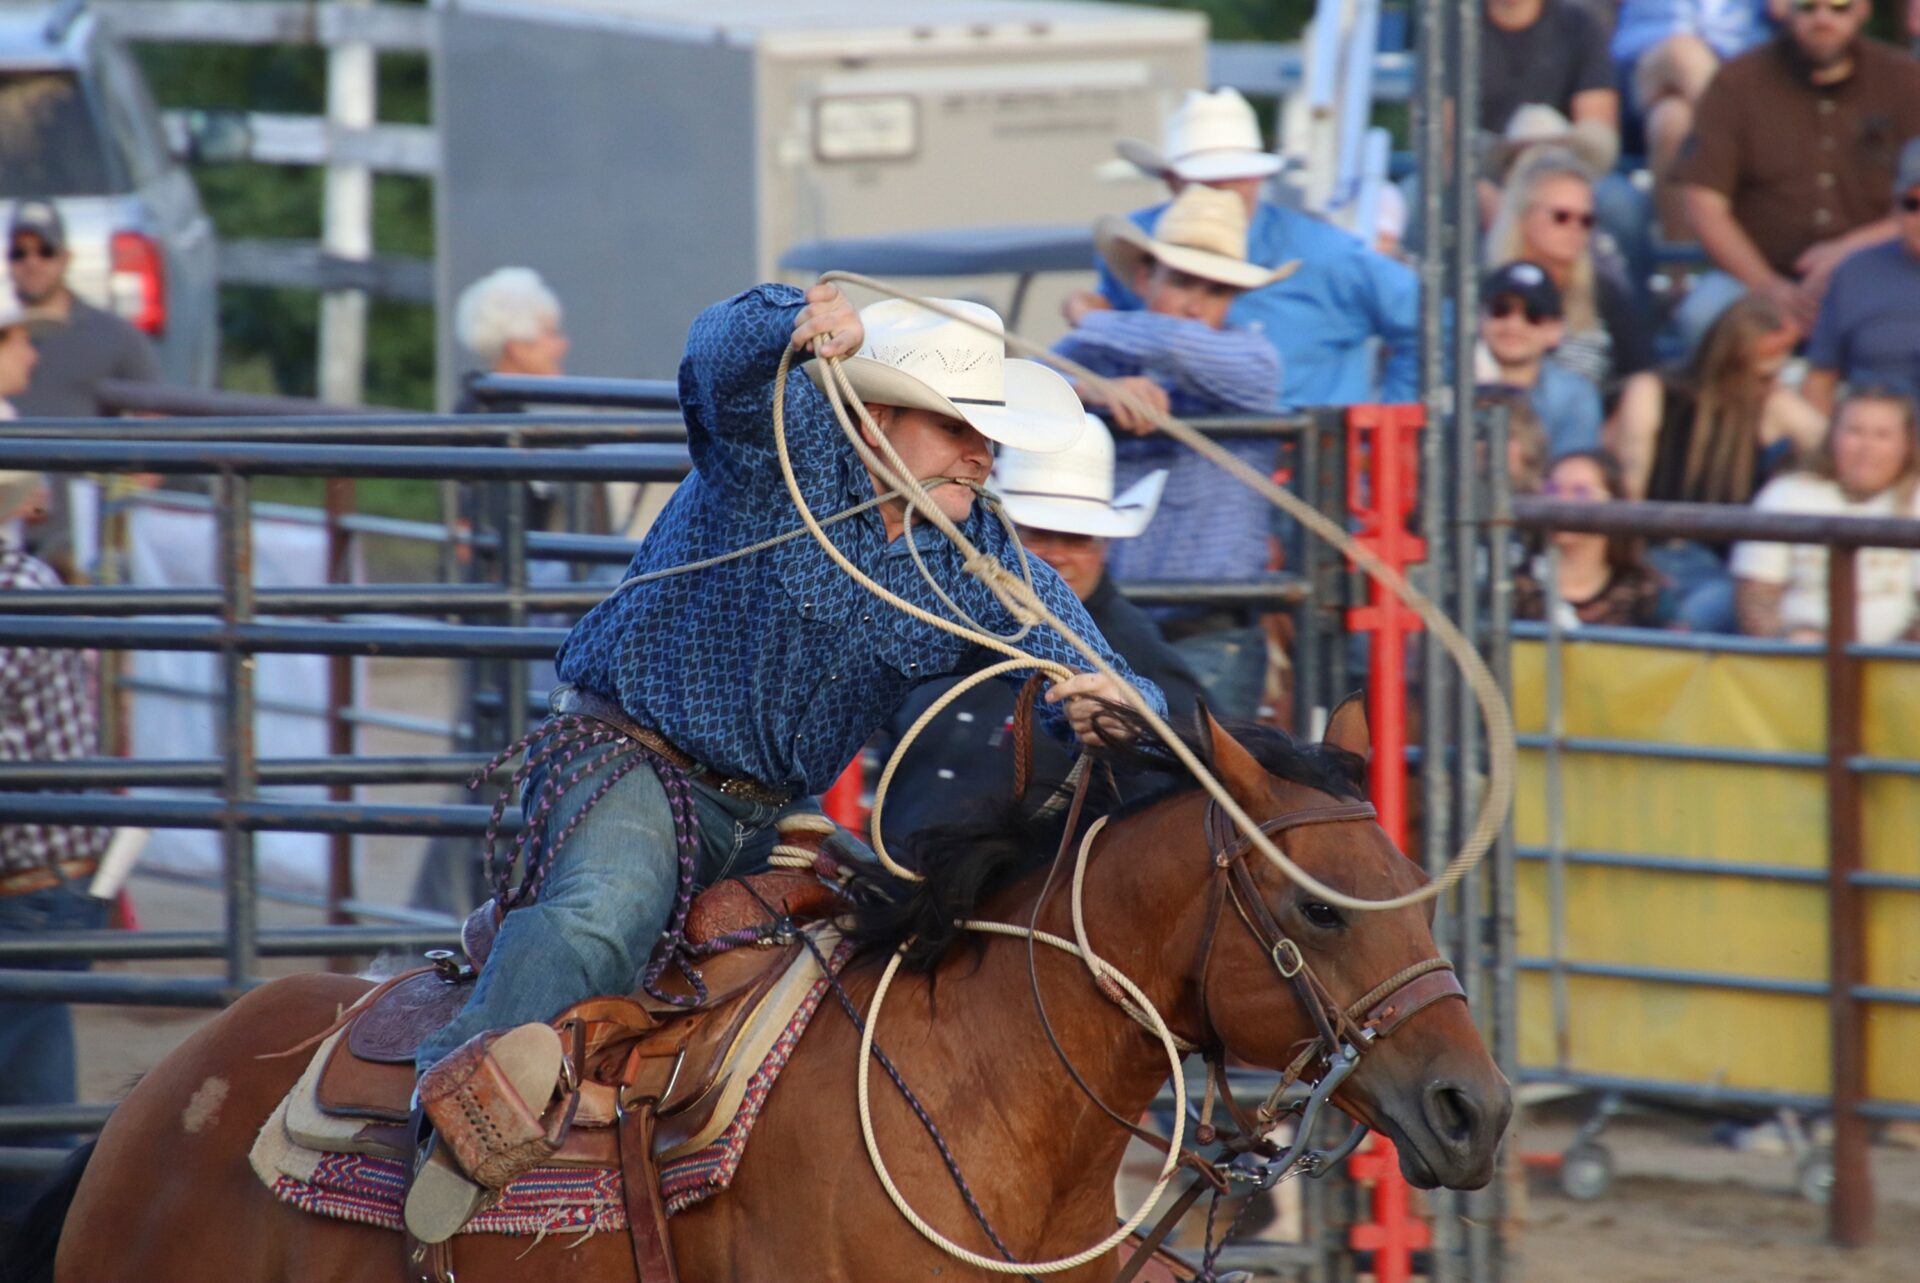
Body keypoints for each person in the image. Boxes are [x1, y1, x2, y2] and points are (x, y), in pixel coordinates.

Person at [402, 283, 1167, 1242]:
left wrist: (1122, 709)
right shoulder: (783, 444)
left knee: (873, 961)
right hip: (633, 754)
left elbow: (1109, 668)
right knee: (607, 912)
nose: (981, 452)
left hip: (769, 811)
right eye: (955, 425)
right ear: (877, 415)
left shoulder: (976, 559)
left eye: (989, 434)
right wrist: (794, 326)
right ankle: (438, 1127)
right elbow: (714, 360)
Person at [873, 416, 1200, 847]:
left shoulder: (1139, 651)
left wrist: (1135, 726)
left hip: (1023, 899)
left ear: (1103, 546)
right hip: (900, 873)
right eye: (1039, 534)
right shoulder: (944, 609)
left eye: (1078, 538)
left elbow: (1191, 769)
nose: (1057, 557)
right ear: (1007, 534)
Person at [1055, 185, 1291, 718]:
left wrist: (1093, 318)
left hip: (1206, 631)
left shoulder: (1251, 363)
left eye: (1216, 289)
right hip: (1104, 627)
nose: (1194, 303)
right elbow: (1025, 385)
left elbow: (1179, 345)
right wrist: (1092, 389)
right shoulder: (1093, 355)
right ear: (1145, 277)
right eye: (1182, 280)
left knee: (1205, 789)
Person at [1069, 87, 1421, 407]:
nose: (1222, 188)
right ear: (1170, 179)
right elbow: (1085, 357)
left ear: (1257, 177)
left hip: (1312, 465)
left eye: (1235, 174)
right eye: (1205, 178)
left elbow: (1429, 319)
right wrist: (1090, 383)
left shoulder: (1327, 254)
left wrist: (1388, 422)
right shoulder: (1140, 239)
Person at [1675, 0, 1920, 343]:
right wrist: (1769, 287)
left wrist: (1847, 252)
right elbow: (1703, 202)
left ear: (1863, 8)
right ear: (1784, 7)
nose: (1823, 19)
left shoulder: (1905, 80)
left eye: (1839, 6)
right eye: (1808, 6)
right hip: (1757, 280)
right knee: (1701, 315)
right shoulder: (1737, 81)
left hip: (1881, 270)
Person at [0, 467, 112, 1219]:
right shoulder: (29, 578)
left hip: (29, 878)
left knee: (32, 1096)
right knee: (30, 1090)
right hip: (47, 874)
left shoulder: (19, 585)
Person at [1608, 293, 1824, 627]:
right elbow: (1629, 497)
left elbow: (1836, 449)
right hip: (1657, 555)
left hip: (1729, 570)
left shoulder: (1771, 404)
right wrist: (1638, 569)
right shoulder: (1651, 390)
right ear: (1732, 364)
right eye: (1764, 377)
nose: (1773, 386)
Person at [1732, 388, 1920, 642]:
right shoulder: (1787, 494)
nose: (1867, 447)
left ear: (1907, 444)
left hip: (1898, 666)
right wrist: (1786, 639)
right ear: (1833, 436)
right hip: (1795, 661)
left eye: (1882, 435)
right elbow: (1755, 597)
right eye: (1855, 431)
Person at [1486, 148, 1657, 403]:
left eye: (1586, 220)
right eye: (1561, 217)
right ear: (1523, 215)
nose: (1575, 229)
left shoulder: (1604, 294)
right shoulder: (1487, 291)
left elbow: (1642, 371)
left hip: (1585, 434)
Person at [1611, 0, 1781, 238]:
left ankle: (1680, 268)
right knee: (1682, 52)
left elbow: (1790, 9)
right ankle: (1750, 156)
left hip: (1741, 68)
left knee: (1670, 121)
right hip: (1645, 58)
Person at [6, 200, 159, 418]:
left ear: (65, 258)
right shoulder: (5, 340)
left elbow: (152, 420)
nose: (32, 262)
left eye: (45, 251)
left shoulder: (115, 337)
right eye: (19, 253)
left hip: (83, 452)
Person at [1802, 137, 1920, 412]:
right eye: (1912, 205)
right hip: (1871, 435)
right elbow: (1820, 379)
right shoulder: (1854, 273)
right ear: (1896, 207)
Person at [1515, 449, 1669, 627]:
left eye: (1581, 492)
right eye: (1553, 490)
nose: (1562, 502)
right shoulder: (1511, 586)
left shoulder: (1646, 594)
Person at [1476, 261, 1605, 456]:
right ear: (1480, 316)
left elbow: (1568, 476)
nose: (1514, 325)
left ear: (1556, 330)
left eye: (1533, 315)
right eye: (1500, 310)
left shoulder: (1575, 395)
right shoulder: (1450, 382)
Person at [1480, 0, 1621, 148]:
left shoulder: (1578, 24)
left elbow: (1596, 133)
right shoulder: (1460, 27)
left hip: (1562, 158)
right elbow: (1453, 129)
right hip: (1482, 160)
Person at [451, 266, 570, 411]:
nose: (562, 345)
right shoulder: (493, 419)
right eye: (550, 333)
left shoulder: (479, 408)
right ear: (517, 347)